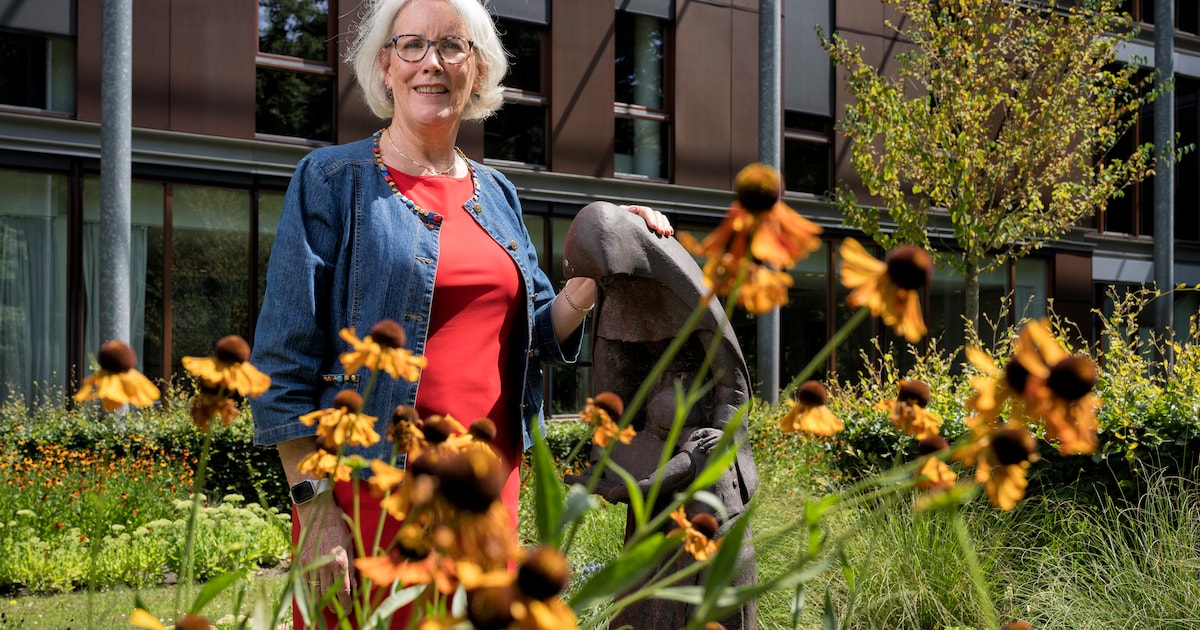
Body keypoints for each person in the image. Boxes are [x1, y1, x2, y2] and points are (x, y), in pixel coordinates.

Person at [248, 0, 672, 627]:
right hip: (373, 492)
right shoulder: (331, 181)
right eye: (412, 45)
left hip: (486, 489)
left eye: (453, 46)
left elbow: (537, 331)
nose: (432, 63)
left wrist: (605, 265)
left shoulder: (497, 193)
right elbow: (282, 363)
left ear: (477, 69)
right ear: (386, 64)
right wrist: (313, 513)